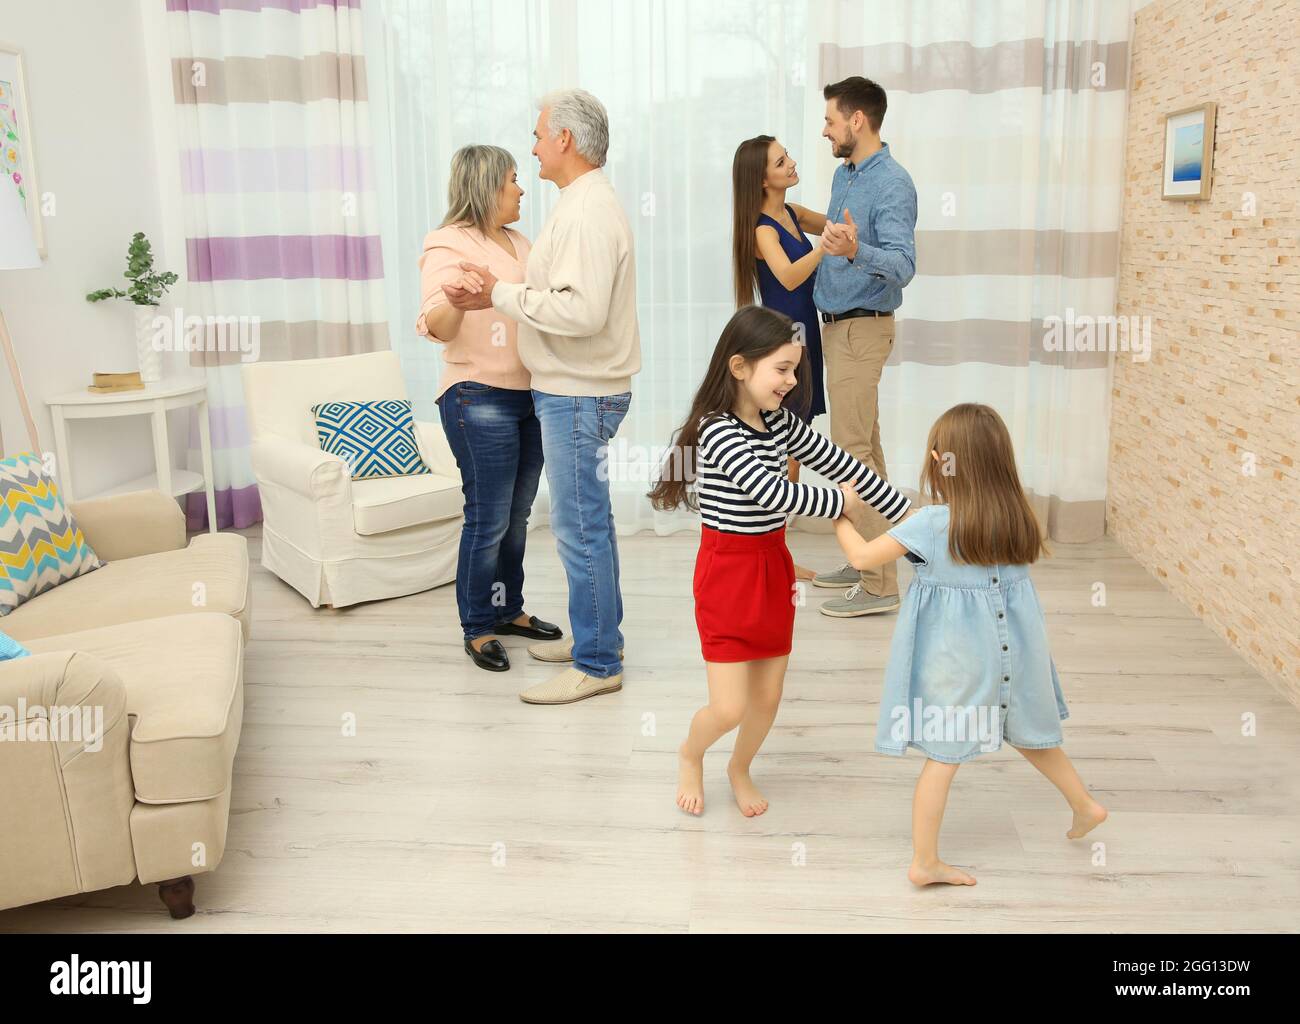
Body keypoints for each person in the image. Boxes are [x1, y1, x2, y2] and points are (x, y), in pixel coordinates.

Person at [648, 306, 911, 817]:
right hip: (728, 574)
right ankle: (690, 753)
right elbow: (771, 494)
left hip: (773, 569)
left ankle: (739, 768)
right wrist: (842, 504)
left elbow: (841, 463)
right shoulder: (717, 430)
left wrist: (907, 516)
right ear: (739, 366)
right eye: (782, 369)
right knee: (728, 707)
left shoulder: (780, 423)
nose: (791, 381)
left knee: (766, 700)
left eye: (795, 370)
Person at [832, 403, 1107, 886]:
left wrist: (843, 513)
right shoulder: (1018, 515)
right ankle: (1085, 804)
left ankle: (924, 862)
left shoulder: (932, 524)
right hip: (1016, 657)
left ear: (940, 460)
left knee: (943, 757)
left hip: (959, 665)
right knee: (1028, 732)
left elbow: (861, 555)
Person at [445, 89, 640, 706]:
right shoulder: (580, 204)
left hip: (578, 394)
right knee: (593, 525)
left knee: (580, 531)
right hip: (577, 391)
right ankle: (600, 635)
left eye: (537, 135)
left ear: (566, 141)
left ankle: (598, 661)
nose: (530, 148)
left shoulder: (584, 212)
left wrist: (500, 297)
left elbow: (579, 312)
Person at [417, 145, 562, 673]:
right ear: (486, 186)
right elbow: (435, 322)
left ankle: (507, 609)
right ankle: (477, 625)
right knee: (488, 517)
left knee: (517, 518)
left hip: (531, 395)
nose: (522, 189)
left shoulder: (520, 241)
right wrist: (454, 304)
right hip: (477, 396)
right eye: (513, 180)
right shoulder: (447, 243)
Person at [811, 75, 919, 620]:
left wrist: (857, 251)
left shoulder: (894, 183)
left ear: (858, 120)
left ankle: (880, 585)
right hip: (837, 328)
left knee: (850, 458)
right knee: (865, 456)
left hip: (862, 327)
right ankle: (867, 560)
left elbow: (904, 265)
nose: (824, 129)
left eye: (830, 119)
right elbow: (833, 236)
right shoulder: (844, 174)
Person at [731, 134, 829, 580]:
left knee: (795, 444)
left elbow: (830, 222)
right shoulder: (761, 228)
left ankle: (778, 551)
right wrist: (827, 246)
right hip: (781, 341)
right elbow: (788, 278)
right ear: (762, 177)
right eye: (780, 160)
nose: (791, 163)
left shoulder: (790, 213)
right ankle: (775, 552)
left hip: (805, 337)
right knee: (782, 446)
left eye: (788, 155)